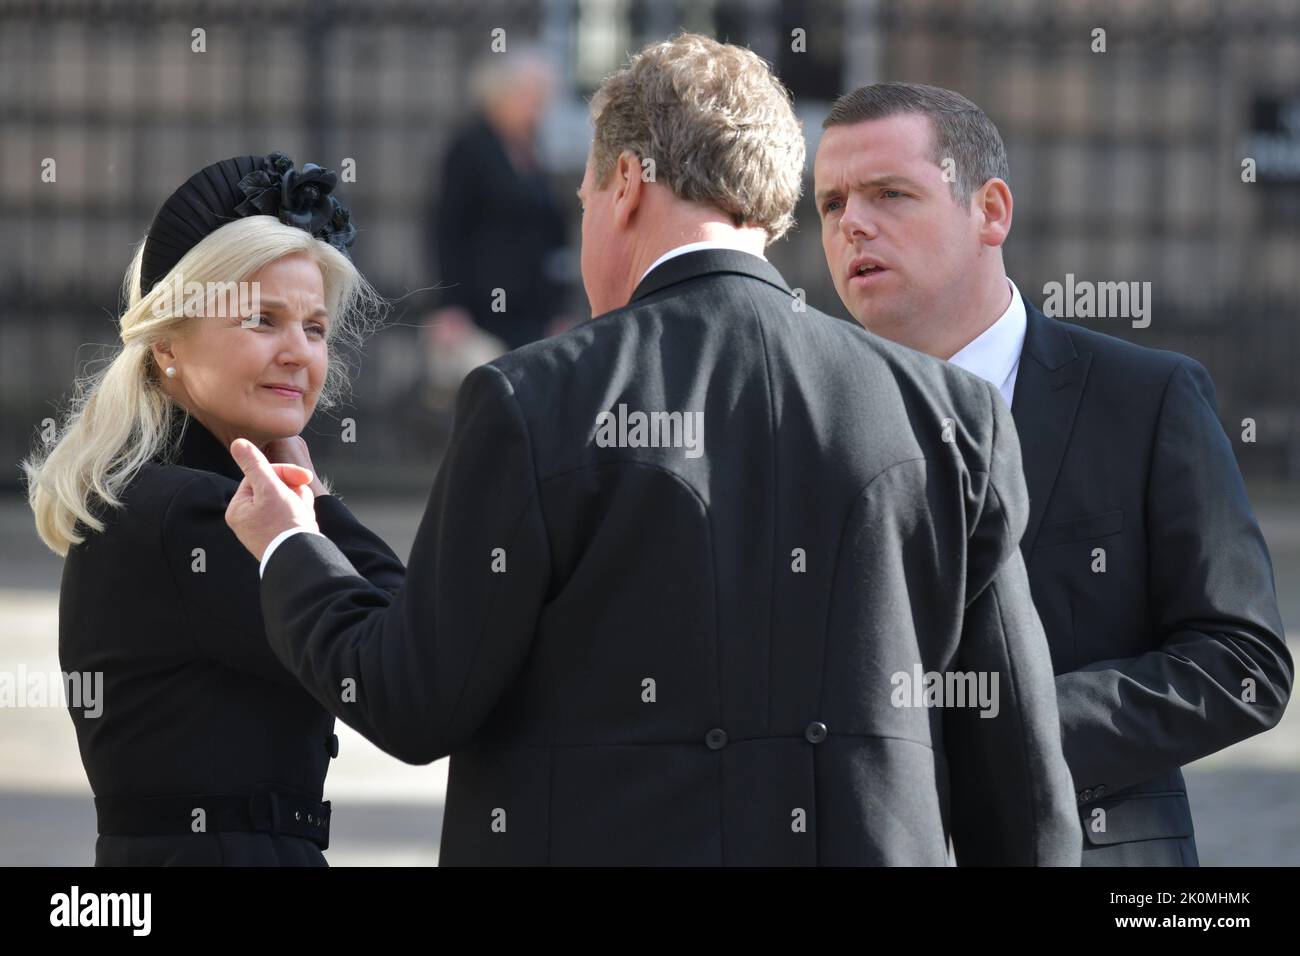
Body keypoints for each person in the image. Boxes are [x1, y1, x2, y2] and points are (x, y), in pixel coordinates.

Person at [226, 35, 1079, 866]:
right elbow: (1025, 788)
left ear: (627, 184)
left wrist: (291, 545)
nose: (588, 220)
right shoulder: (955, 413)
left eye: (586, 198)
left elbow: (413, 699)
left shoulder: (533, 400)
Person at [813, 82, 1293, 865]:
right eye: (831, 204)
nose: (853, 224)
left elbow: (1243, 665)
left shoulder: (1146, 398)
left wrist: (1008, 733)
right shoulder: (809, 419)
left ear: (991, 211)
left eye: (889, 193)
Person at [23, 152, 404, 866]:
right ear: (166, 344)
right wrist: (314, 503)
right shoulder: (198, 514)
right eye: (263, 320)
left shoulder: (151, 491)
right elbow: (401, 653)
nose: (299, 353)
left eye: (315, 329)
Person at [427, 48, 571, 351]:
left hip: (533, 312)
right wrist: (450, 304)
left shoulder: (535, 151)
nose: (537, 109)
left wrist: (559, 309)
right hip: (482, 309)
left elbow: (552, 235)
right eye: (530, 97)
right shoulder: (470, 148)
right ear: (501, 95)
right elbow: (448, 228)